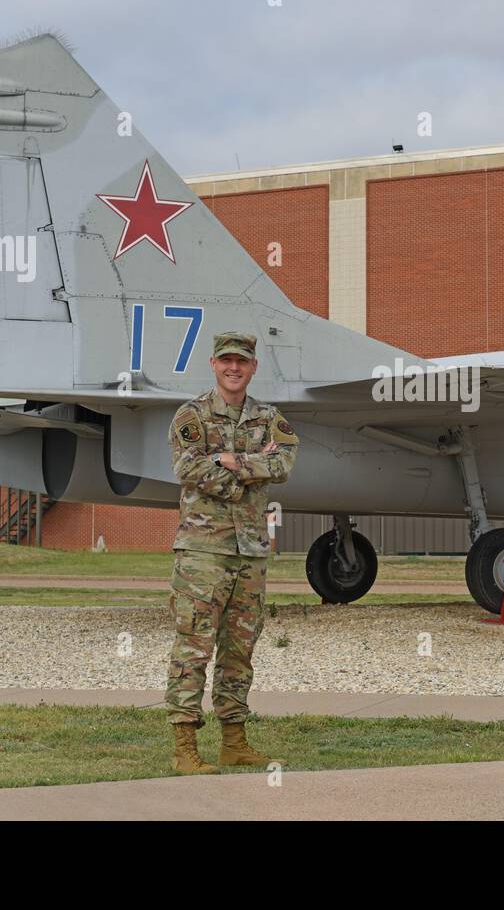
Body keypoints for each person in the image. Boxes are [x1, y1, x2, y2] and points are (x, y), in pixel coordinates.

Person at [165, 330, 299, 774]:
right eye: (226, 360)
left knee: (240, 648)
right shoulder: (193, 415)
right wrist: (248, 472)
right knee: (194, 646)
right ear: (213, 364)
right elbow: (188, 467)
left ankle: (234, 741)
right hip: (203, 553)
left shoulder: (268, 417)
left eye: (242, 361)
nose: (234, 368)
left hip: (250, 552)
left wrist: (230, 461)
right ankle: (185, 747)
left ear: (254, 367)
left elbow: (284, 463)